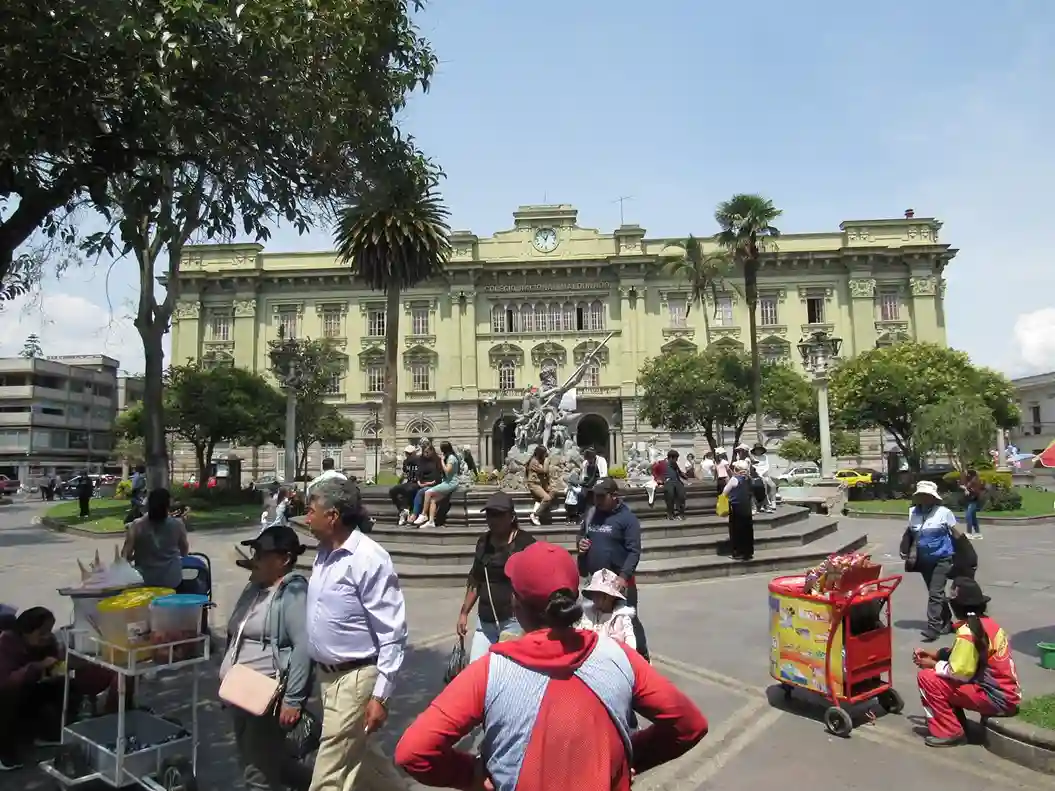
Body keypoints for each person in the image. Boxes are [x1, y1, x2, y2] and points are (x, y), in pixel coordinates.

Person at [394, 541, 708, 791]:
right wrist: (627, 757)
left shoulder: (491, 670)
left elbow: (413, 752)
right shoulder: (619, 656)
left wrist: (472, 774)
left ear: (516, 604)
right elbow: (689, 724)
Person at [303, 477, 408, 791]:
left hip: (356, 679)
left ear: (332, 515)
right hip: (328, 679)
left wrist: (380, 695)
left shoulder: (368, 558)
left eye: (311, 511)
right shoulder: (324, 553)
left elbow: (393, 631)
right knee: (364, 759)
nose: (307, 518)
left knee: (330, 773)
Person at [222, 525, 314, 791]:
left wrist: (293, 700)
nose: (255, 557)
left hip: (265, 695)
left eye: (262, 553)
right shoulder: (255, 587)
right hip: (240, 691)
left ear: (283, 559)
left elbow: (303, 645)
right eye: (255, 551)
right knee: (269, 763)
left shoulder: (293, 593)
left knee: (257, 772)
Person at [0, 608, 121, 770]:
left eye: (49, 631)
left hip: (34, 688)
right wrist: (36, 667)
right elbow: (7, 682)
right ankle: (6, 752)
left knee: (67, 688)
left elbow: (57, 665)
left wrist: (68, 663)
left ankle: (50, 731)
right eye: (41, 633)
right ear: (26, 631)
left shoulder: (47, 643)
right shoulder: (7, 644)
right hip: (10, 694)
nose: (47, 636)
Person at [914, 578, 1021, 748]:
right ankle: (956, 723)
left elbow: (960, 672)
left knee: (928, 678)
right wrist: (935, 655)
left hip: (995, 697)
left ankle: (949, 731)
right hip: (1007, 694)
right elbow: (962, 655)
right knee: (941, 676)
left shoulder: (968, 632)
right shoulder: (988, 624)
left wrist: (932, 665)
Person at [457, 492, 536, 662]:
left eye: (499, 515)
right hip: (485, 622)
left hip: (514, 622)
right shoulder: (483, 542)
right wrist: (464, 613)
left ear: (511, 516)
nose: (493, 520)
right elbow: (475, 579)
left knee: (509, 672)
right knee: (476, 669)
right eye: (490, 514)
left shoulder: (526, 543)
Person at [578, 478, 649, 660]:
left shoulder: (628, 519)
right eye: (595, 496)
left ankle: (641, 657)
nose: (597, 500)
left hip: (619, 583)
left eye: (602, 496)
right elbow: (582, 537)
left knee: (627, 621)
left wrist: (624, 576)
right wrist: (581, 546)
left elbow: (634, 551)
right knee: (596, 621)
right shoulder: (592, 514)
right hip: (596, 584)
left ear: (614, 496)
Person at [900, 480, 960, 642]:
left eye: (927, 495)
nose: (924, 498)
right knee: (937, 593)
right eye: (921, 495)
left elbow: (956, 534)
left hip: (943, 558)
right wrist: (904, 549)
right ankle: (947, 622)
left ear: (934, 497)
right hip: (924, 560)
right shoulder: (913, 512)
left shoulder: (944, 512)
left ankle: (933, 627)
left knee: (935, 592)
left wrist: (965, 555)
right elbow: (910, 533)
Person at [122, 488, 190, 590]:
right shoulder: (178, 524)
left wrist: (136, 556)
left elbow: (125, 556)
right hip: (172, 580)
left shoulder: (136, 525)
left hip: (144, 580)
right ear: (168, 505)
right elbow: (184, 551)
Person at [577, 569, 637, 650]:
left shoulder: (622, 617)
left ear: (611, 597)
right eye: (595, 594)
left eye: (601, 595)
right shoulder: (588, 614)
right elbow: (579, 635)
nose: (596, 598)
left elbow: (631, 644)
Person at [416, 440, 461, 528]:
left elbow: (447, 470)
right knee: (433, 500)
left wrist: (442, 461)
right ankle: (431, 521)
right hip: (448, 482)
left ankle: (423, 514)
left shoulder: (451, 458)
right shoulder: (450, 456)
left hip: (451, 483)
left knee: (428, 492)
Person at [722, 460, 754, 561]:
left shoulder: (734, 479)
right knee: (748, 531)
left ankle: (738, 552)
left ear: (737, 469)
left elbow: (725, 492)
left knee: (736, 531)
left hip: (736, 509)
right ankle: (748, 552)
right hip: (747, 509)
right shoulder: (749, 479)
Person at [408, 443, 440, 527]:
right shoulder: (422, 460)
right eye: (424, 452)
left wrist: (427, 484)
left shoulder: (437, 461)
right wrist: (420, 482)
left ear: (432, 451)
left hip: (432, 484)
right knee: (413, 490)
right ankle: (410, 513)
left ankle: (416, 514)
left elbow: (435, 478)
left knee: (421, 492)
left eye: (427, 452)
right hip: (423, 483)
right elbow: (419, 473)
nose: (426, 454)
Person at [390, 445, 421, 525]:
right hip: (409, 483)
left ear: (414, 453)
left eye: (410, 454)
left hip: (416, 483)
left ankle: (409, 512)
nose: (408, 455)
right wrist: (399, 482)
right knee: (393, 490)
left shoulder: (420, 461)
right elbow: (404, 474)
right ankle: (403, 510)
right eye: (407, 453)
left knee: (409, 491)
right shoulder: (405, 462)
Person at [525, 445, 555, 526]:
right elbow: (545, 470)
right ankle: (535, 515)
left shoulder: (538, 460)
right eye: (545, 453)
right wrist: (546, 461)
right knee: (547, 498)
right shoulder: (534, 461)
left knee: (552, 492)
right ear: (540, 454)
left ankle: (537, 509)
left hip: (539, 484)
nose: (546, 455)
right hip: (533, 484)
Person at [750, 444, 777, 513]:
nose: (758, 451)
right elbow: (753, 468)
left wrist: (765, 474)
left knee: (773, 485)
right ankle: (764, 504)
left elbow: (767, 467)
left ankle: (773, 501)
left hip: (765, 474)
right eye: (757, 449)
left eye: (760, 449)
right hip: (757, 476)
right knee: (764, 485)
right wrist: (759, 475)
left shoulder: (765, 457)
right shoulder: (752, 457)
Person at [662, 449, 687, 520]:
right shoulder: (663, 464)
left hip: (677, 482)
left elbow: (679, 472)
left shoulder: (675, 464)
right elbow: (654, 470)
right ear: (671, 458)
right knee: (670, 496)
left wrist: (684, 476)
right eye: (676, 458)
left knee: (681, 496)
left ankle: (681, 513)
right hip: (668, 482)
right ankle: (670, 513)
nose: (677, 460)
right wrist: (660, 480)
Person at [960, 469, 984, 540]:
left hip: (973, 501)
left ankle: (969, 533)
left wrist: (968, 490)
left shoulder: (975, 481)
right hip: (971, 500)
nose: (966, 475)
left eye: (967, 474)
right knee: (973, 518)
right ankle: (978, 533)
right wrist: (965, 488)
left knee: (968, 515)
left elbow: (976, 491)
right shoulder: (970, 481)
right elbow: (962, 483)